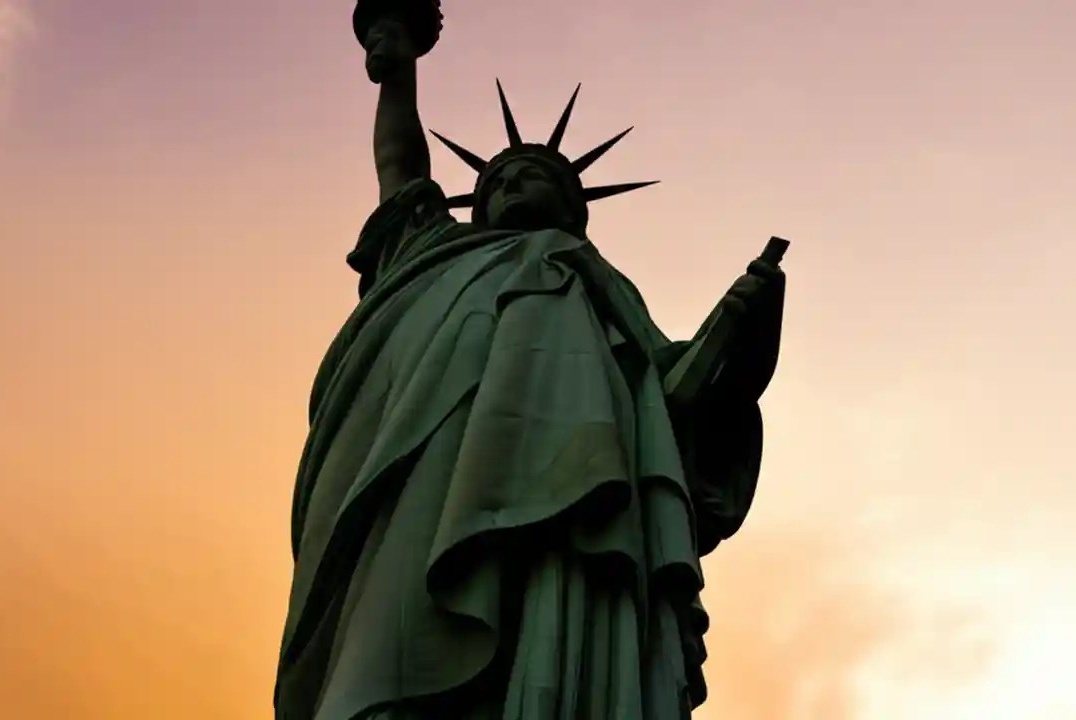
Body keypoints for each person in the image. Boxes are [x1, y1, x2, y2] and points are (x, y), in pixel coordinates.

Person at [274, 12, 787, 719]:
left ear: (576, 210)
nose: (513, 187)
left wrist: (741, 330)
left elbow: (669, 408)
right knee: (393, 639)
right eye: (499, 182)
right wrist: (398, 67)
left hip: (579, 505)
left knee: (549, 638)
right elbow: (401, 170)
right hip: (428, 471)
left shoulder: (600, 286)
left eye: (534, 178)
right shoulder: (430, 256)